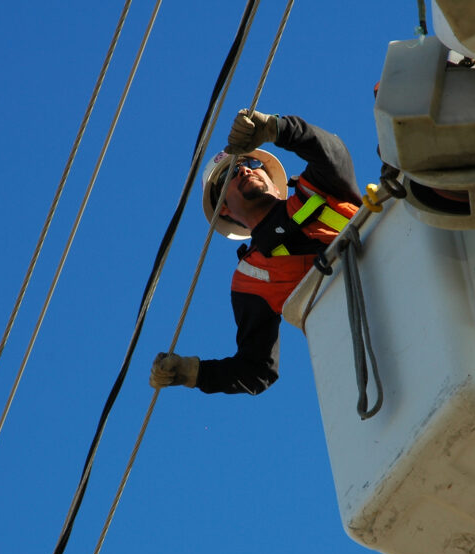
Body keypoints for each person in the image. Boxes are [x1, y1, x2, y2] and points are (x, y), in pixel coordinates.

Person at [149, 110, 361, 395]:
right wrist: (192, 373)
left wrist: (276, 128)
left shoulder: (319, 188)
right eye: (230, 174)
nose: (246, 170)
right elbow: (256, 370)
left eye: (250, 162)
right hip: (361, 327)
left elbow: (333, 152)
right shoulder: (252, 278)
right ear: (223, 208)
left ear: (273, 179)